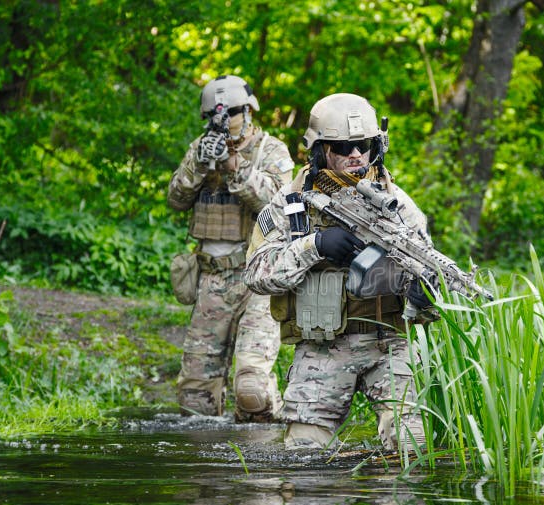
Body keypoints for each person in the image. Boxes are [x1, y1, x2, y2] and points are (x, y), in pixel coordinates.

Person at [243, 93, 432, 450]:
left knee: (412, 445)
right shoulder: (292, 203)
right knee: (305, 455)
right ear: (320, 149)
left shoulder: (397, 203)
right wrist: (313, 246)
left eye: (362, 145)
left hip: (390, 343)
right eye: (343, 146)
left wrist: (424, 296)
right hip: (323, 347)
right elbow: (255, 272)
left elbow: (430, 277)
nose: (355, 155)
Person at [167, 75, 294, 421]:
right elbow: (176, 200)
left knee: (252, 389)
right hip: (211, 278)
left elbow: (278, 203)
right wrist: (199, 166)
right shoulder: (199, 148)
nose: (227, 120)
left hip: (259, 278)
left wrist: (235, 167)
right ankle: (207, 468)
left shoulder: (271, 150)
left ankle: (262, 464)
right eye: (217, 114)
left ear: (249, 111)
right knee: (194, 397)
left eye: (235, 111)